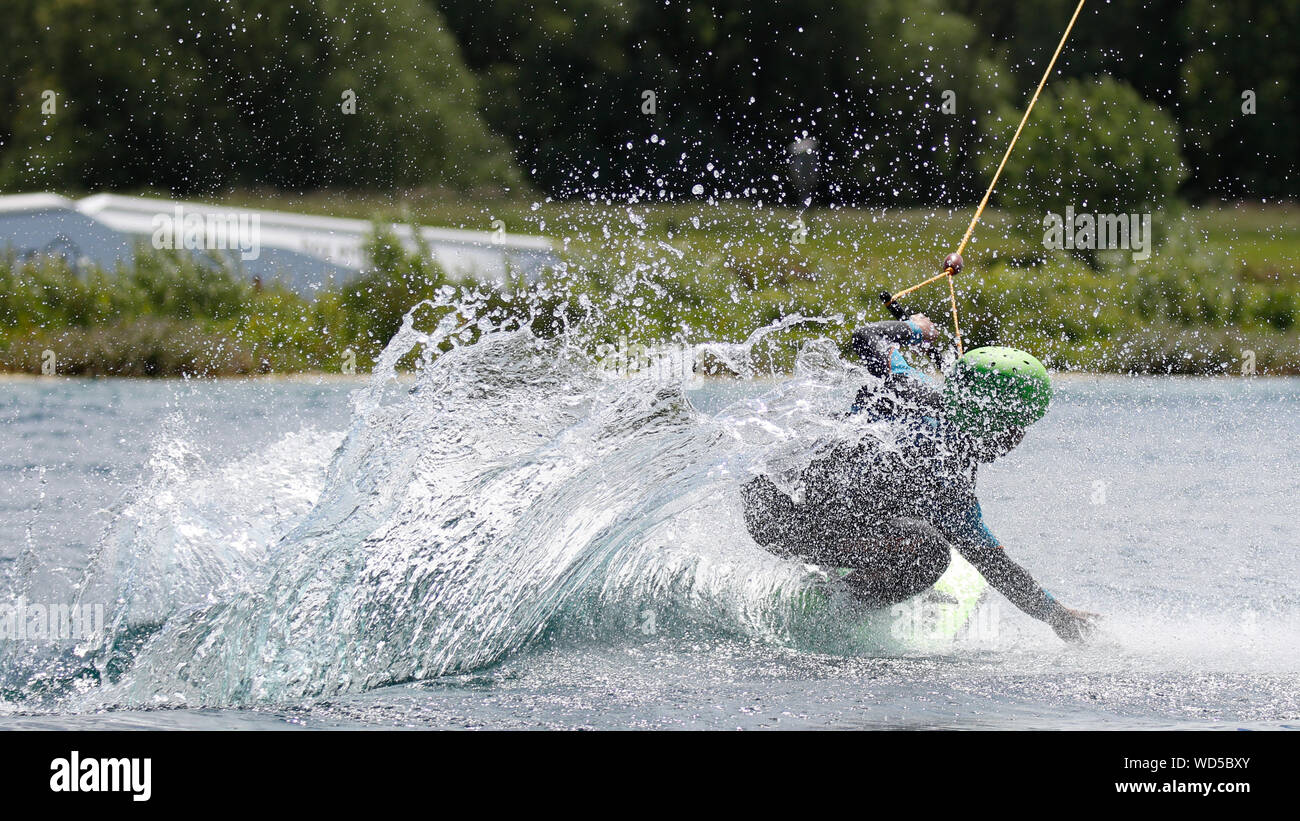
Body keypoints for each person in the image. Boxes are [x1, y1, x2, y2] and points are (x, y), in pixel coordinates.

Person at [741, 313, 1098, 642]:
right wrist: (1056, 616)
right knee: (929, 554)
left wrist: (915, 329)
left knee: (886, 516)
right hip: (783, 520)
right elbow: (998, 568)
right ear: (994, 424)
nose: (1016, 440)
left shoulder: (908, 382)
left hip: (763, 494)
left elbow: (866, 336)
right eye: (1016, 428)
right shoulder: (950, 485)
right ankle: (832, 615)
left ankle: (834, 581)